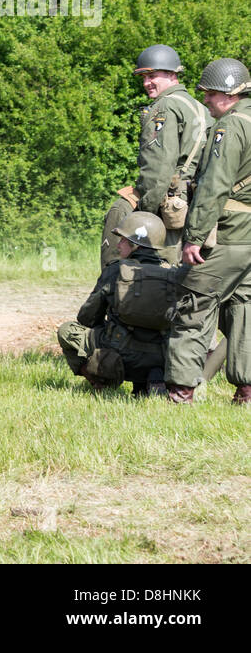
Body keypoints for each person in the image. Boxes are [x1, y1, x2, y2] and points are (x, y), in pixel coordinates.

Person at [165, 58, 251, 404]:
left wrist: (195, 237)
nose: (206, 102)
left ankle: (181, 392)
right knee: (245, 309)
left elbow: (214, 186)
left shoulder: (230, 127)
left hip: (228, 235)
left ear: (227, 94)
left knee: (193, 305)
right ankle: (247, 391)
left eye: (209, 95)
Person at [100, 45, 209, 269]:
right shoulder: (200, 107)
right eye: (143, 77)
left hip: (169, 205)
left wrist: (146, 211)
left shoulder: (165, 107)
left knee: (159, 271)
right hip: (196, 202)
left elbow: (158, 167)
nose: (146, 83)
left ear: (171, 74)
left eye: (152, 76)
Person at [58, 211, 173, 395]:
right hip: (162, 358)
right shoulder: (172, 273)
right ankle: (153, 380)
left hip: (120, 356)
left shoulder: (116, 270)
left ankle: (100, 379)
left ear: (135, 245)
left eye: (123, 240)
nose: (118, 245)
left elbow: (87, 317)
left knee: (67, 331)